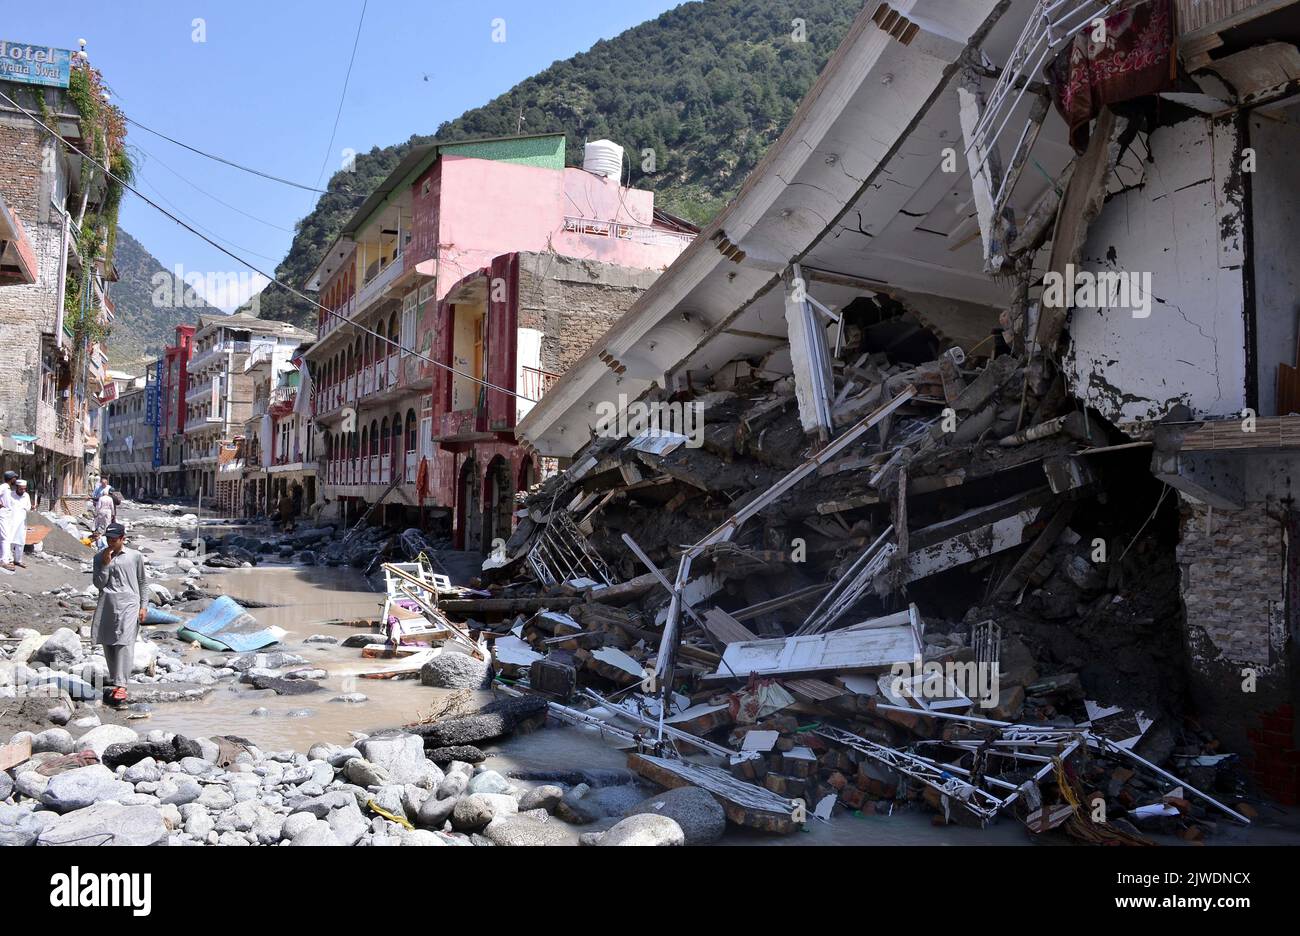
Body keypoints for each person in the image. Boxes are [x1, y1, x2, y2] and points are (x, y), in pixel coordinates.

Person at [92, 522, 147, 709]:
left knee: (124, 642)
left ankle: (121, 685)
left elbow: (142, 582)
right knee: (108, 642)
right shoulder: (100, 557)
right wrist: (106, 565)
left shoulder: (134, 556)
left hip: (130, 604)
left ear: (123, 538)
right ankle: (116, 680)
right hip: (107, 604)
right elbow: (99, 584)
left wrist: (144, 605)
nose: (110, 542)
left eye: (114, 539)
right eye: (108, 539)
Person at [4, 479, 30, 568]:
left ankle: (18, 560)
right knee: (10, 541)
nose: (23, 491)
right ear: (16, 487)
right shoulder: (10, 495)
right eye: (21, 489)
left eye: (24, 489)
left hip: (22, 523)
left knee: (20, 541)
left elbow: (28, 507)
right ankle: (10, 560)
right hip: (11, 522)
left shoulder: (26, 496)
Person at [0, 470, 14, 570]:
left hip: (7, 515)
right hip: (3, 514)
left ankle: (5, 558)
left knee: (5, 537)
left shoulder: (8, 488)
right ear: (11, 478)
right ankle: (4, 561)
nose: (15, 479)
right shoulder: (4, 487)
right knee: (5, 537)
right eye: (14, 478)